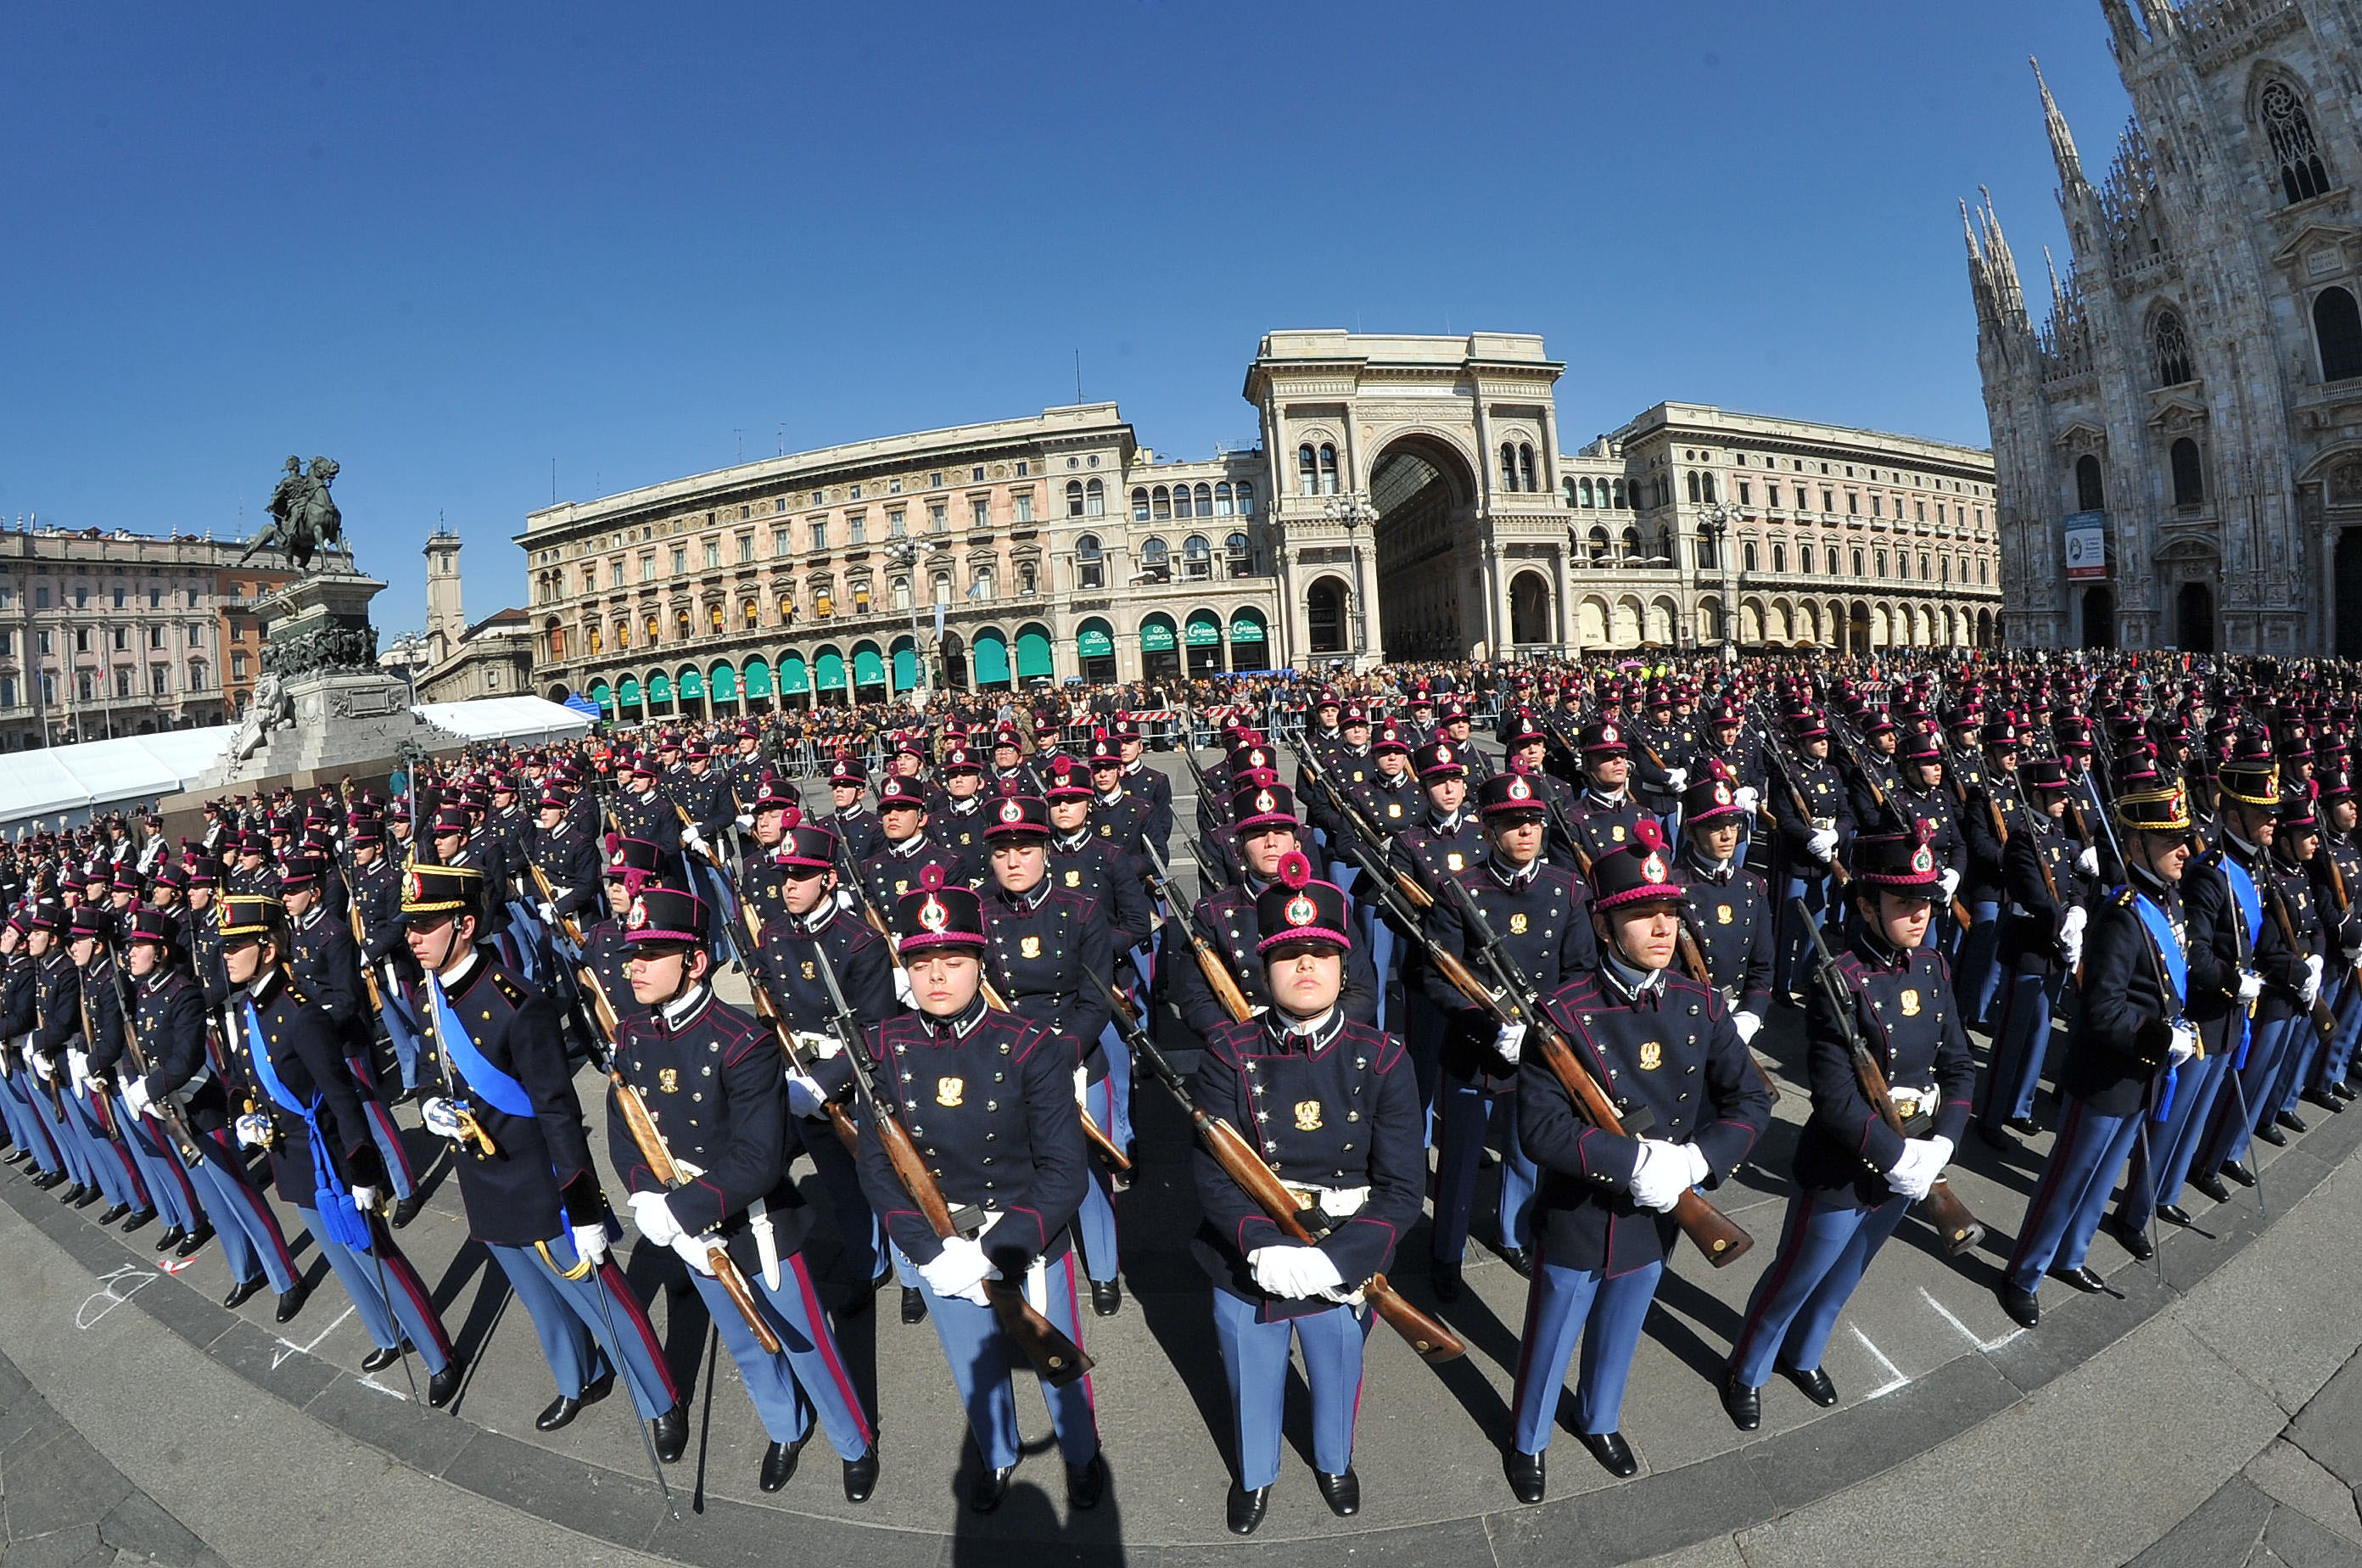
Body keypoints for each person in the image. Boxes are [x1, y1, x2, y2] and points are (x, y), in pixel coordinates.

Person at [1505, 820, 1770, 1503]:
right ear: (1603, 925)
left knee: (1623, 1327)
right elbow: (1541, 1131)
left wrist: (1696, 1163)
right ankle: (1529, 1438)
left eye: (1670, 913)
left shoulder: (1700, 1004)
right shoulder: (1561, 1014)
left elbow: (1749, 1100)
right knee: (1551, 1335)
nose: (1661, 928)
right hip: (1579, 1212)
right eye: (1641, 914)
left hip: (1663, 1209)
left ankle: (1599, 1419)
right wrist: (1633, 1163)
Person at [400, 862, 687, 1449]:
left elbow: (558, 1111)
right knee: (538, 1299)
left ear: (464, 925)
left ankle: (661, 1399)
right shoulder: (430, 993)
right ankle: (579, 1378)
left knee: (602, 1299)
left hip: (539, 1184)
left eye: (426, 926)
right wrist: (430, 1104)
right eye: (411, 926)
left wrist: (583, 1208)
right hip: (483, 1180)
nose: (413, 937)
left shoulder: (516, 1002)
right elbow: (434, 1068)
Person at [607, 882, 880, 1498]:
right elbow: (624, 1125)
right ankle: (786, 1427)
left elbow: (760, 1160)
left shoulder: (742, 1040)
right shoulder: (632, 1034)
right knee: (744, 1343)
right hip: (686, 1229)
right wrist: (645, 1194)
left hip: (756, 1227)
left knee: (806, 1344)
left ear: (695, 961)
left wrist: (680, 1211)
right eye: (633, 954)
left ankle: (853, 1440)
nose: (635, 966)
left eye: (652, 954)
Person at [854, 864, 1104, 1514]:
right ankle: (997, 1455)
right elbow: (878, 1169)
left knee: (1056, 1364)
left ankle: (1081, 1454)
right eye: (922, 963)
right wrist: (929, 1251)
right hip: (939, 1245)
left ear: (980, 963)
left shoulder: (1029, 1047)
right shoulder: (881, 1048)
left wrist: (993, 1251)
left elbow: (1065, 1172)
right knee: (975, 1366)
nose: (937, 977)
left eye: (954, 961)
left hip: (1024, 1239)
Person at [1191, 853, 1421, 1534]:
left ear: (1344, 967)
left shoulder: (1383, 1056)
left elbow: (1403, 1187)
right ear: (1264, 969)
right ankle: (1255, 1472)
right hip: (1252, 1253)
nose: (1305, 967)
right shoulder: (1229, 1053)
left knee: (1337, 1367)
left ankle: (1334, 1461)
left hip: (1343, 1252)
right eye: (1289, 955)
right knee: (1250, 1370)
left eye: (1321, 953)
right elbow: (1213, 1172)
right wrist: (1260, 1243)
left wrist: (1335, 1259)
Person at [1721, 818, 1973, 1426]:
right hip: (1846, 1163)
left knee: (1848, 1274)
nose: (1920, 914)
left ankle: (1804, 1355)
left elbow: (1959, 1064)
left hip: (1914, 1159)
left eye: (1926, 901)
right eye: (1904, 902)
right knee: (1797, 1275)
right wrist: (1898, 1157)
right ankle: (1748, 1368)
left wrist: (1941, 1146)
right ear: (1865, 905)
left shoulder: (1933, 966)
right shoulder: (1839, 979)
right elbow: (1835, 1099)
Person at [216, 893, 462, 1398]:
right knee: (345, 1263)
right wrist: (244, 1113)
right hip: (290, 1156)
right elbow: (243, 1074)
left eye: (237, 945)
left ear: (267, 949)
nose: (227, 955)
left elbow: (342, 1097)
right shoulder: (248, 1009)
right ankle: (387, 1335)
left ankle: (438, 1353)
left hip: (330, 1161)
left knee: (376, 1257)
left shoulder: (300, 1013)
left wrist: (364, 1171)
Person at [1998, 769, 2196, 1328]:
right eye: (2170, 842)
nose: (2184, 850)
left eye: (2182, 840)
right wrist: (2161, 1035)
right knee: (2068, 1179)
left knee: (2103, 1176)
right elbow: (2104, 1008)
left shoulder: (2169, 902)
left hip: (2144, 1071)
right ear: (2136, 847)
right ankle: (2024, 1272)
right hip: (2106, 1073)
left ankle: (2071, 1255)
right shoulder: (2123, 916)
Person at [1421, 770, 1597, 1302]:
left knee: (1528, 1150)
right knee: (1459, 1159)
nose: (1526, 832)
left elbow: (1579, 972)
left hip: (1543, 1046)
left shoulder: (1567, 889)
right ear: (1489, 829)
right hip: (1477, 1046)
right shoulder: (1459, 891)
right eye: (1513, 823)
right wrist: (1492, 1026)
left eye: (1533, 822)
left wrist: (1547, 1029)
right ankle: (1446, 1251)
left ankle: (1514, 1233)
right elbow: (1437, 977)